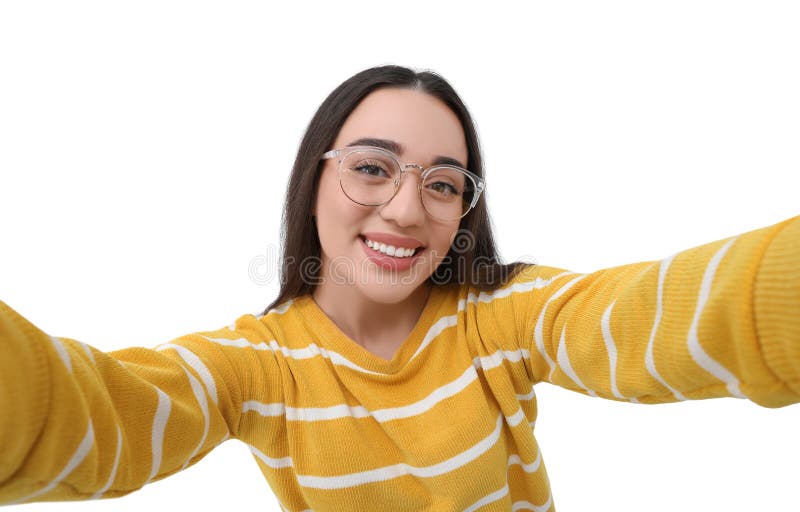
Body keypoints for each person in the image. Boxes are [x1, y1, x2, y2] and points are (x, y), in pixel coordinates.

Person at [0, 65, 797, 511]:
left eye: (444, 184)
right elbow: (97, 418)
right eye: (373, 168)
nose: (409, 209)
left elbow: (657, 318)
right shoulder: (259, 366)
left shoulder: (502, 318)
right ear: (312, 183)